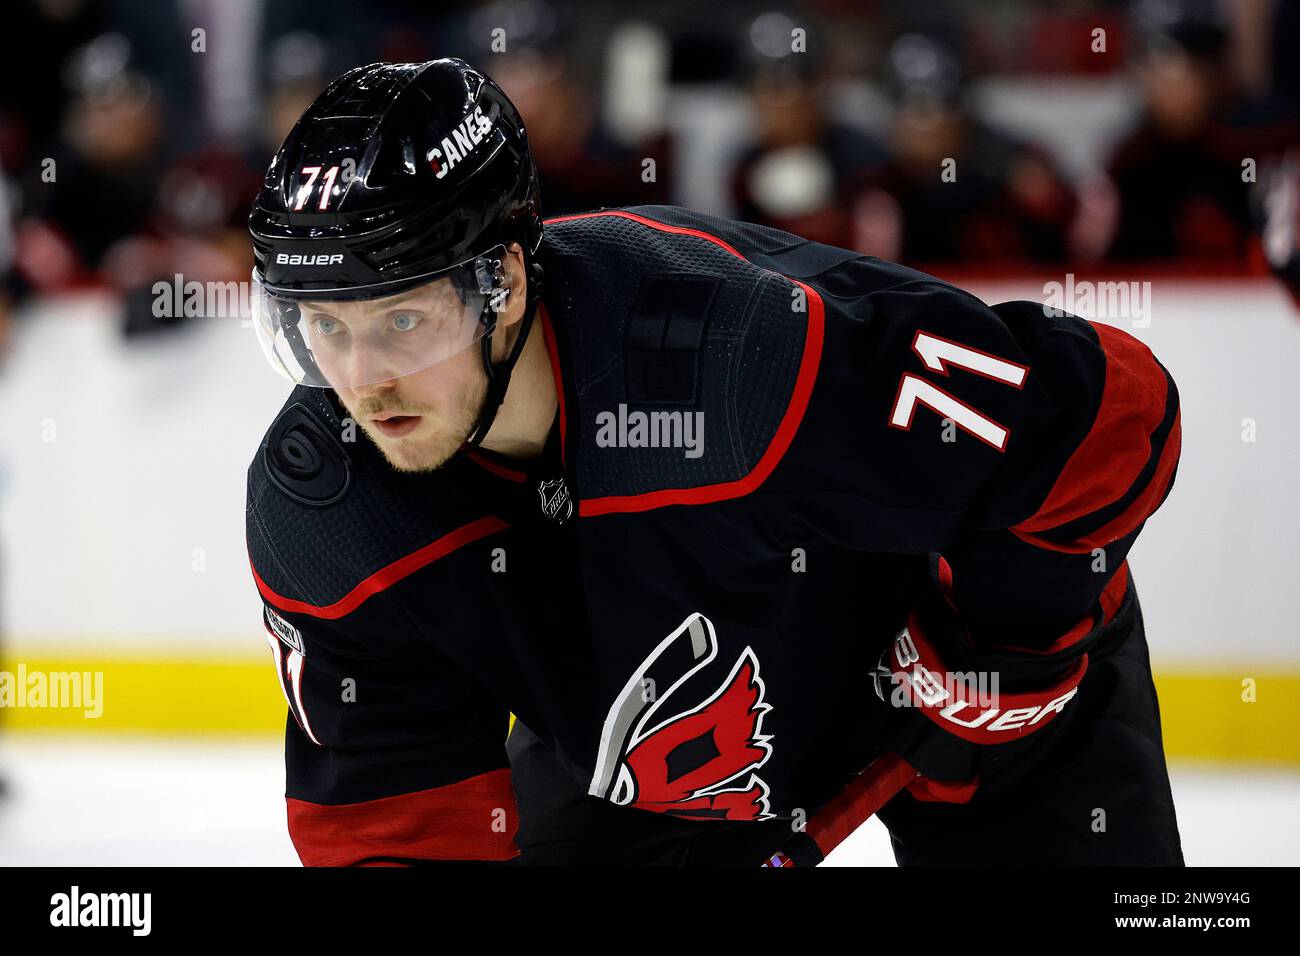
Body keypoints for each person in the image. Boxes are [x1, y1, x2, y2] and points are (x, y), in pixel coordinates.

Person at [246, 58, 1184, 866]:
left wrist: (1016, 635)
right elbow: (393, 818)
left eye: (402, 321)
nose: (363, 383)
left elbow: (1109, 411)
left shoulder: (734, 359)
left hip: (964, 654)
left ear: (507, 283)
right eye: (324, 328)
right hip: (673, 737)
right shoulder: (329, 509)